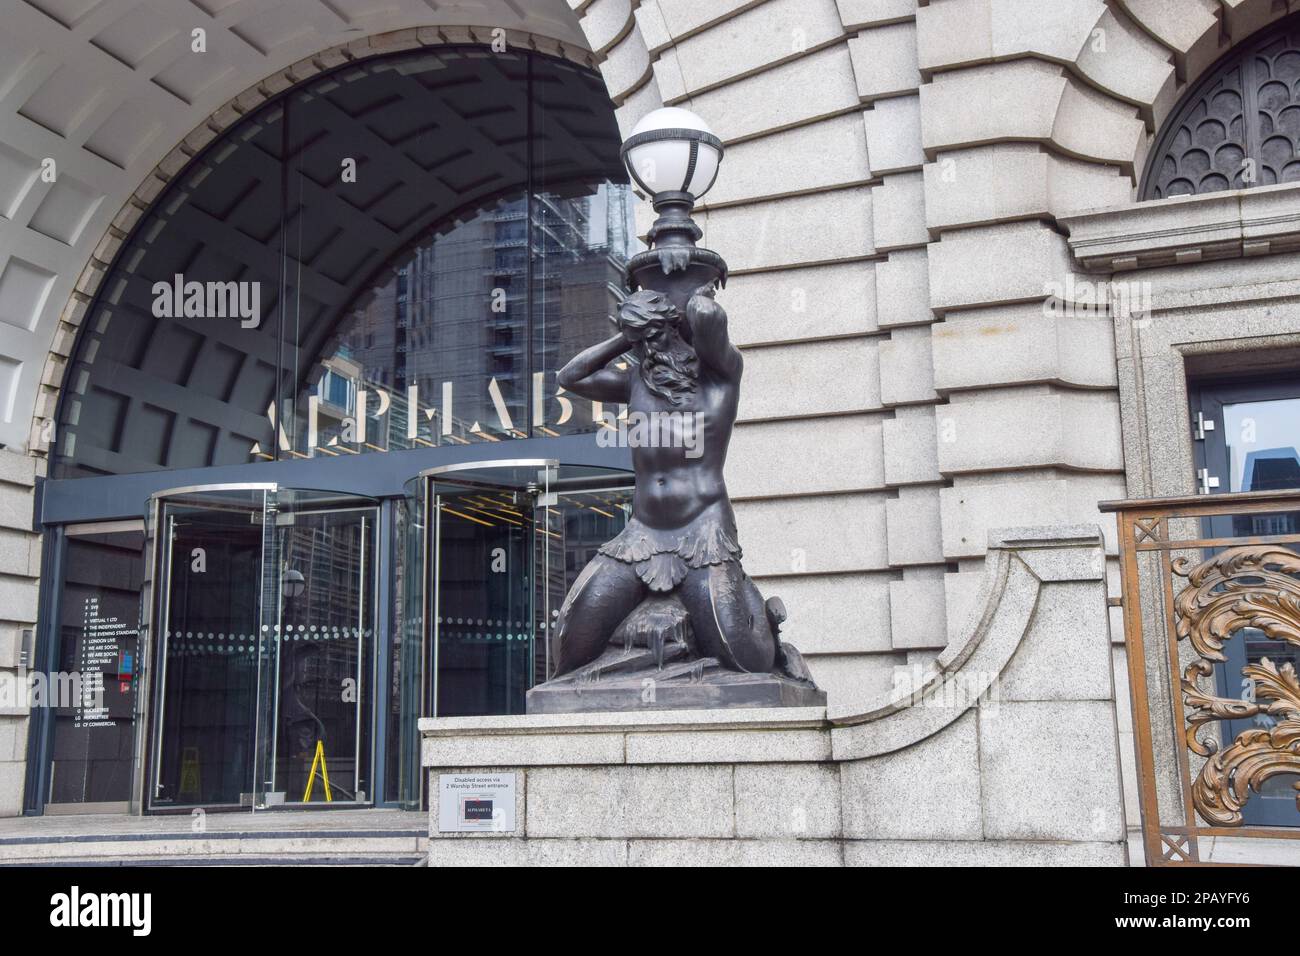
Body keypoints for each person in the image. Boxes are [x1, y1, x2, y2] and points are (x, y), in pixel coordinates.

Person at [551, 283, 797, 678]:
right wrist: (626, 335)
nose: (648, 348)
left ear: (676, 326)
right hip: (641, 535)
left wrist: (693, 302)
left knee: (742, 655)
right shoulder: (636, 381)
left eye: (655, 336)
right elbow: (570, 376)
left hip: (702, 530)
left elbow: (707, 316)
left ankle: (763, 618)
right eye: (640, 342)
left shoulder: (720, 375)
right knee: (570, 642)